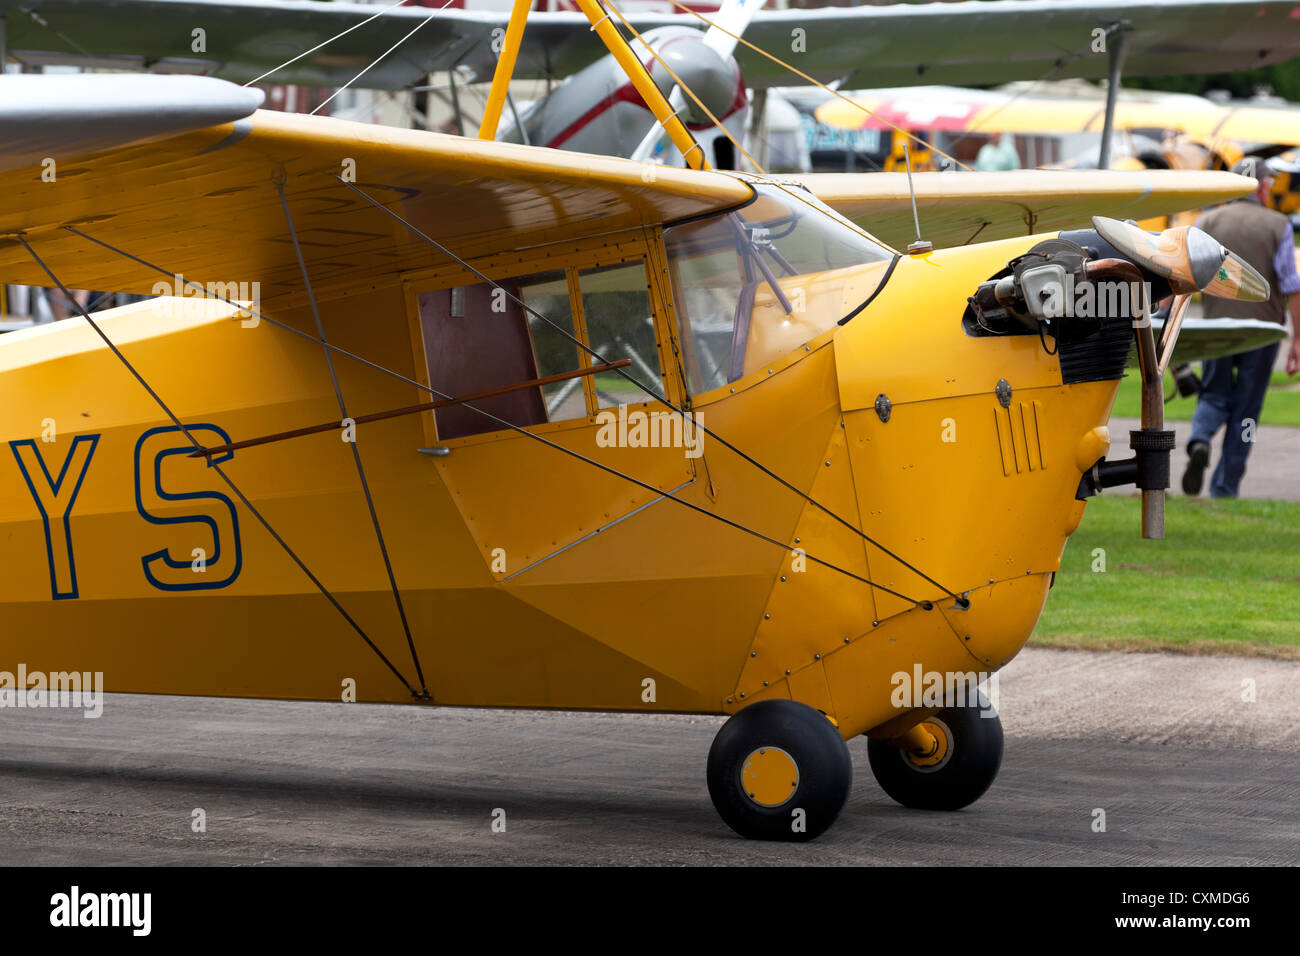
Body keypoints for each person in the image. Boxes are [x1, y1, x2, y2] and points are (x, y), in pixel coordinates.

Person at [1183, 156, 1300, 497]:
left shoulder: (1207, 221)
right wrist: (1297, 341)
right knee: (1246, 413)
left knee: (1213, 394)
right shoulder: (1278, 226)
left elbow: (1185, 277)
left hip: (1216, 330)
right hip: (1260, 332)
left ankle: (1200, 439)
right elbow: (1292, 285)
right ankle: (1225, 486)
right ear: (1260, 186)